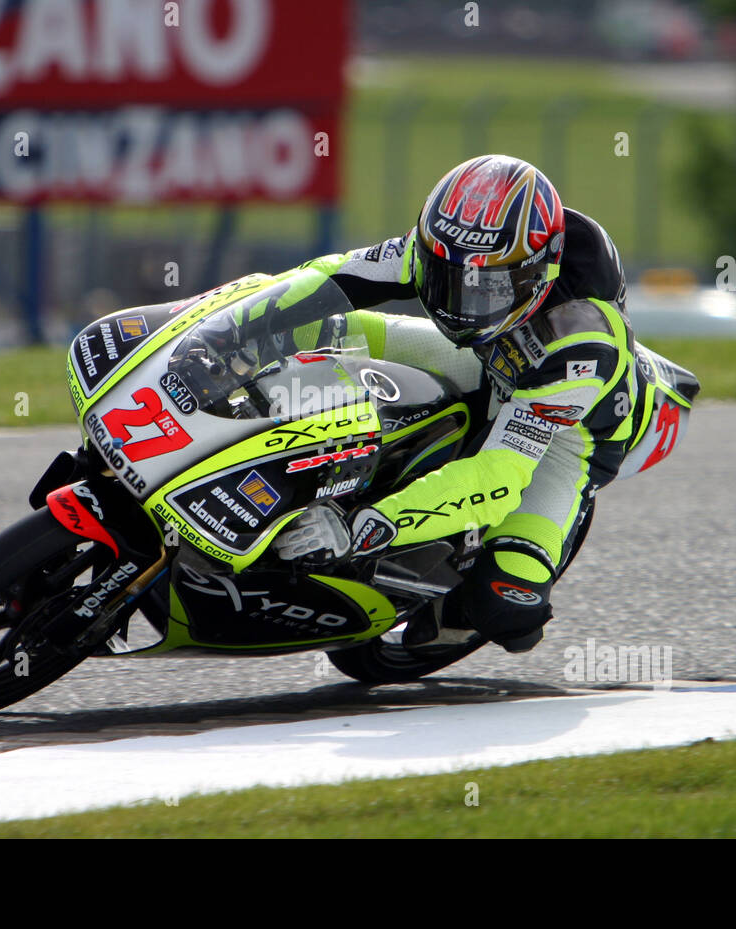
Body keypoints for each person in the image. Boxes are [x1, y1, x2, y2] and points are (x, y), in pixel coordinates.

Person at [272, 153, 697, 653]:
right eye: (444, 277)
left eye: (485, 288)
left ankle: (471, 586)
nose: (459, 301)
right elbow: (327, 279)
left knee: (508, 609)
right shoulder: (452, 243)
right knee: (320, 326)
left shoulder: (581, 340)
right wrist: (228, 321)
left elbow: (500, 477)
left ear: (537, 273)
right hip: (487, 360)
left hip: (565, 436)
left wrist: (360, 528)